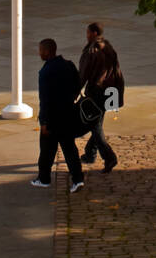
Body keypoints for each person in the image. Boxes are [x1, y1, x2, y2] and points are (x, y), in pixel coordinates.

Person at [33, 39, 84, 193]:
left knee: (47, 151)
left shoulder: (45, 72)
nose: (39, 53)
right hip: (68, 115)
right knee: (70, 150)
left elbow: (45, 99)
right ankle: (78, 179)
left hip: (52, 119)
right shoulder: (68, 65)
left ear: (47, 51)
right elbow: (77, 85)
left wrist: (44, 122)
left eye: (41, 50)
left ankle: (44, 179)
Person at [77, 22, 122, 173]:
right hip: (111, 91)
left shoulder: (92, 50)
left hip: (98, 92)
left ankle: (109, 157)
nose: (87, 35)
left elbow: (83, 73)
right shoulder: (108, 47)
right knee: (97, 122)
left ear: (95, 33)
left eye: (88, 32)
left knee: (95, 126)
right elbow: (117, 71)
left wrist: (76, 91)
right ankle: (90, 153)